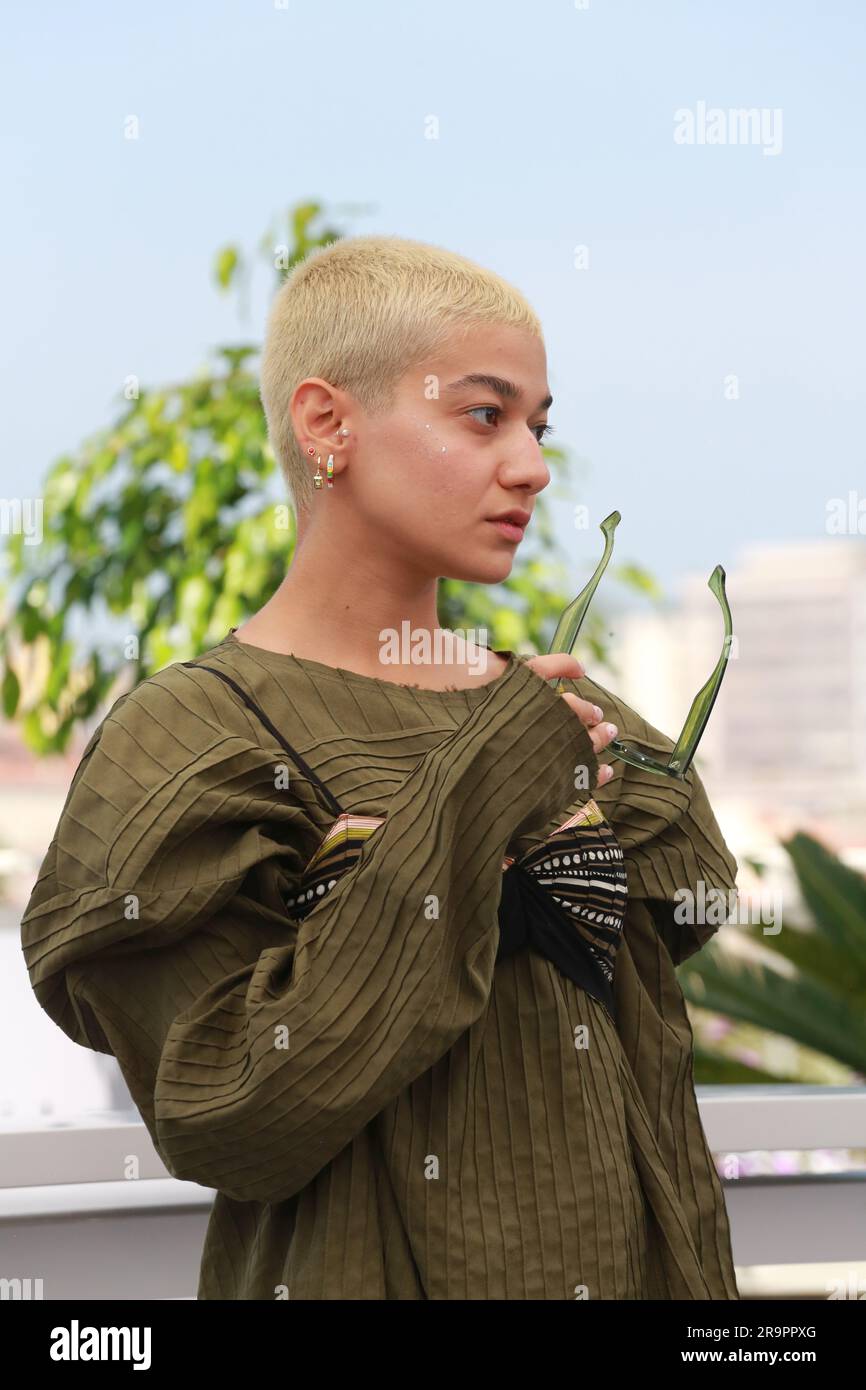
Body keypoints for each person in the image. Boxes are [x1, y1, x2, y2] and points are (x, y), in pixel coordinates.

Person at [21, 235, 740, 1300]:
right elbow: (233, 1115)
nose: (533, 466)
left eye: (538, 426)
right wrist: (483, 785)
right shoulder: (189, 739)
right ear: (327, 424)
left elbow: (692, 904)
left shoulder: (567, 715)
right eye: (482, 414)